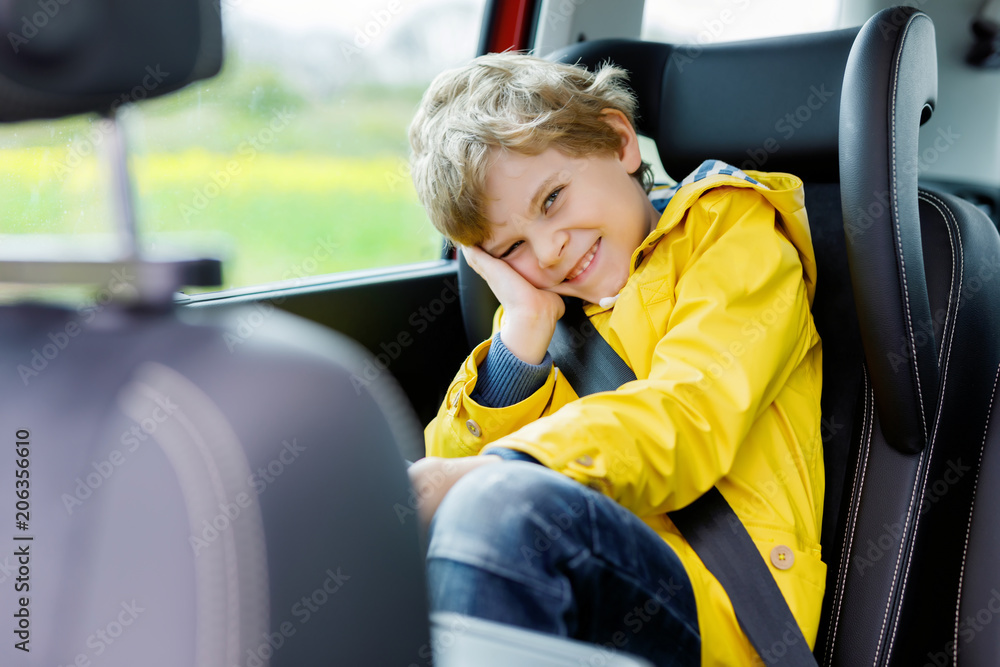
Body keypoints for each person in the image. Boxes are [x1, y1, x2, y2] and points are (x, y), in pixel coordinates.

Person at [407, 52, 824, 666]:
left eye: (552, 200)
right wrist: (522, 332)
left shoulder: (731, 233)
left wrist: (502, 468)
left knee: (500, 505)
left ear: (619, 140)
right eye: (512, 247)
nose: (548, 253)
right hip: (585, 586)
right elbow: (449, 520)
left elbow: (688, 415)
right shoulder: (546, 321)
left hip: (730, 605)